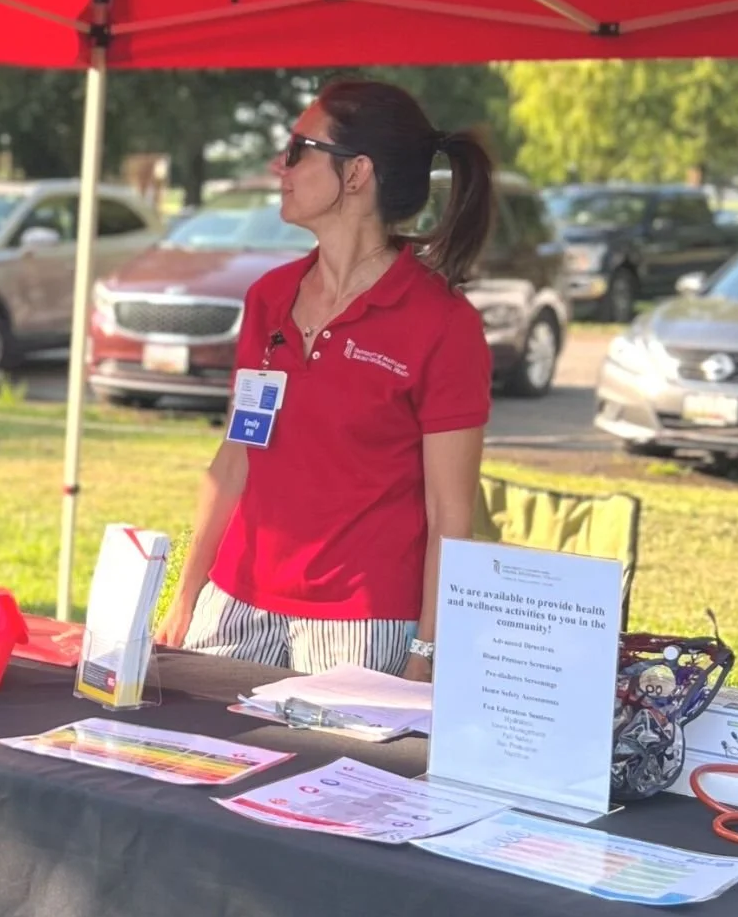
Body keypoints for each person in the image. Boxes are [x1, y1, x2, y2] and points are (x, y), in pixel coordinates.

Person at [154, 80, 495, 682]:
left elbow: (451, 514)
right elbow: (236, 455)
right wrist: (187, 595)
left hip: (362, 626)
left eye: (296, 149)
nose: (277, 166)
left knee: (335, 780)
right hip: (234, 602)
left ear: (356, 173)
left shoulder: (443, 323)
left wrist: (428, 652)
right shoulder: (268, 298)